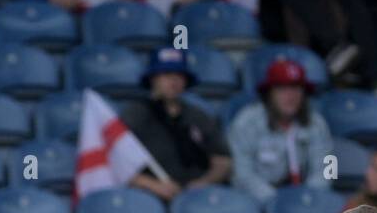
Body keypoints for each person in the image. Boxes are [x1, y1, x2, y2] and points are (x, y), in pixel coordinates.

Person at [121, 48, 232, 202]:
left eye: (179, 75)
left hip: (199, 195)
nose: (174, 81)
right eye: (166, 74)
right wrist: (152, 185)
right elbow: (116, 160)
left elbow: (222, 161)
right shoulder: (135, 114)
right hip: (150, 197)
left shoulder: (198, 115)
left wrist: (204, 183)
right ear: (153, 79)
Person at [229, 58, 334, 201]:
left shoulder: (318, 123)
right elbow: (242, 175)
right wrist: (277, 202)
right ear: (269, 93)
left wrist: (308, 198)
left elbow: (329, 170)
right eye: (282, 89)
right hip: (260, 203)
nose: (290, 96)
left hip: (308, 201)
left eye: (296, 88)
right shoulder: (246, 123)